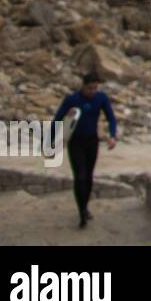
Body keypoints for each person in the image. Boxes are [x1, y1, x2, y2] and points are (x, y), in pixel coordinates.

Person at [51, 73, 118, 228]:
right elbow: (58, 119)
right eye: (89, 88)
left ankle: (85, 206)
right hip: (75, 142)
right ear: (83, 86)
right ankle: (81, 212)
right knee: (79, 176)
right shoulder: (72, 99)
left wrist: (113, 135)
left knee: (88, 177)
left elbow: (111, 118)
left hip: (92, 141)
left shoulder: (101, 98)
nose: (92, 91)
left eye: (95, 88)